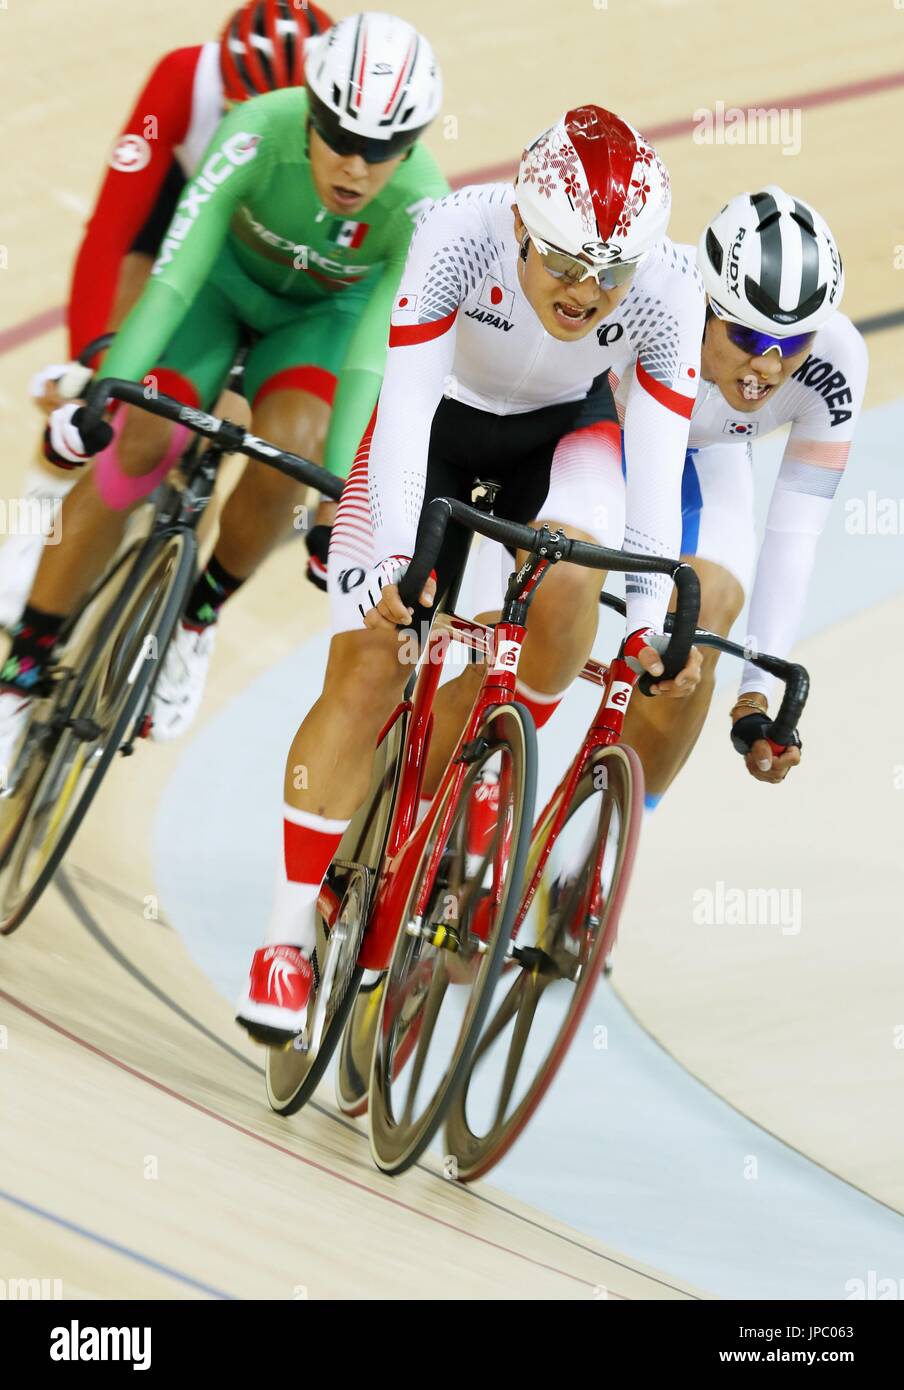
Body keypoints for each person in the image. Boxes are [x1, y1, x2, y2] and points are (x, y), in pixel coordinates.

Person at [235, 104, 707, 1044]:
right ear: (525, 230)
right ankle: (287, 935)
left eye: (608, 275)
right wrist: (403, 571)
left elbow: (654, 470)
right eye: (566, 265)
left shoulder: (665, 288)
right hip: (438, 428)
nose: (585, 295)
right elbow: (402, 411)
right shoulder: (460, 231)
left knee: (583, 565)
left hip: (562, 439)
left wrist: (651, 614)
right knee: (376, 656)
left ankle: (498, 750)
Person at [0, 13, 446, 753]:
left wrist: (340, 495)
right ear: (311, 111)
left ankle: (195, 620)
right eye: (338, 139)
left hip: (319, 322)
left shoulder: (422, 202)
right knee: (140, 435)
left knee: (293, 446)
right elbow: (173, 278)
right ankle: (22, 669)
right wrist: (106, 385)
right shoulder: (256, 130)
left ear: (413, 144)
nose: (356, 170)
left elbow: (371, 359)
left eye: (383, 152)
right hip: (218, 289)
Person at [0, 0, 333, 628]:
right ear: (225, 94)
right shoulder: (186, 81)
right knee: (106, 378)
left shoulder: (346, 138)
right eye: (247, 112)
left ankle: (177, 611)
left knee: (227, 421)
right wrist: (93, 357)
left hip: (279, 253)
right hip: (190, 216)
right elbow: (113, 232)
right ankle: (40, 514)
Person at [611, 186, 864, 794]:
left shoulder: (836, 360)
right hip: (595, 431)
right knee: (540, 583)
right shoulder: (648, 293)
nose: (768, 369)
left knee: (707, 606)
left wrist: (758, 692)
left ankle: (593, 850)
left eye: (793, 344)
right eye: (749, 338)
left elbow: (793, 535)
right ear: (707, 305)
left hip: (704, 457)